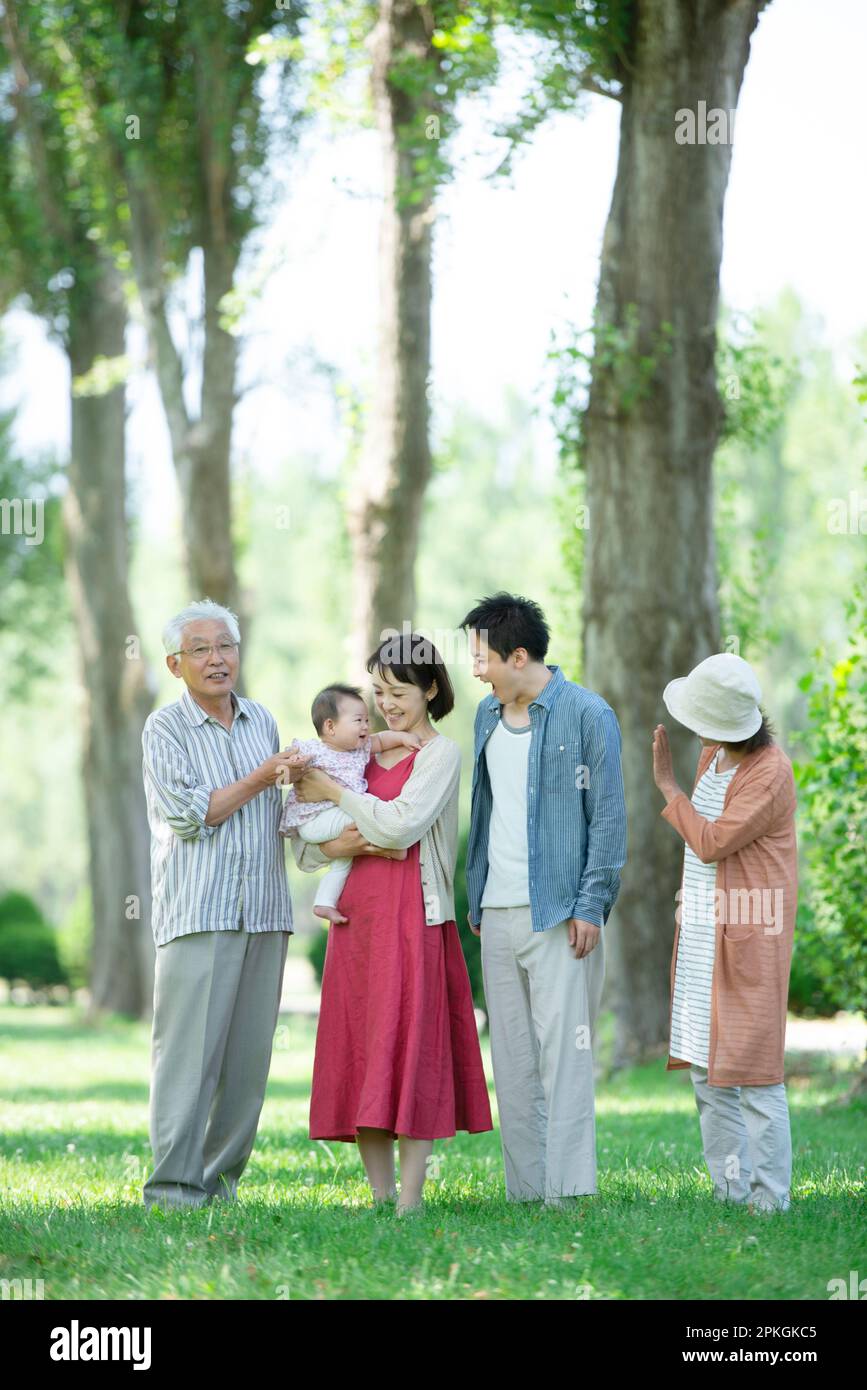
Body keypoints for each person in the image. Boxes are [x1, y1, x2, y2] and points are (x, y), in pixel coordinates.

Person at [290, 634, 493, 1215]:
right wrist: (341, 841)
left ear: (431, 689)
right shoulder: (356, 751)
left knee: (412, 1048)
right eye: (378, 692)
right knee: (363, 1047)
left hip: (414, 917)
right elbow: (311, 841)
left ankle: (410, 1199)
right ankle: (378, 1197)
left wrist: (333, 794)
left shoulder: (440, 755)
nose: (387, 705)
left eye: (400, 692)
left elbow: (400, 826)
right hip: (356, 920)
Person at [460, 592, 627, 1206]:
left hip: (560, 910)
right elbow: (484, 809)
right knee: (513, 1059)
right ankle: (527, 1191)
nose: (475, 669)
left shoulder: (587, 715)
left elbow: (607, 817)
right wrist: (476, 895)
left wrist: (592, 903)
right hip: (497, 913)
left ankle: (570, 1190)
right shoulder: (485, 716)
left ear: (518, 655)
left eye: (482, 657)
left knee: (566, 1057)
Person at [141, 599, 299, 1210]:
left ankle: (219, 1186)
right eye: (201, 650)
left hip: (264, 912)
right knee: (187, 1064)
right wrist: (264, 776)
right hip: (198, 915)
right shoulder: (164, 729)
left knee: (246, 1065)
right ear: (175, 664)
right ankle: (173, 1190)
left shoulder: (263, 720)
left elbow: (284, 808)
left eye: (226, 646)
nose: (217, 659)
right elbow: (191, 814)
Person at [652, 651, 798, 1214]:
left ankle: (771, 1201)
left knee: (757, 1077)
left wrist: (668, 788)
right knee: (709, 1078)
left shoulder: (770, 771)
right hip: (702, 934)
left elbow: (712, 841)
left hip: (749, 935)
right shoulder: (714, 755)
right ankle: (731, 1191)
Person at [278, 683, 420, 923]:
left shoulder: (359, 750)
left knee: (343, 861)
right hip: (314, 820)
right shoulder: (314, 750)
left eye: (366, 720)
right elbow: (285, 766)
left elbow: (382, 740)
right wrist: (294, 765)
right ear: (330, 726)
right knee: (368, 810)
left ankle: (324, 902)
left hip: (333, 816)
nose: (366, 726)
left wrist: (403, 738)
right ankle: (389, 846)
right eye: (358, 721)